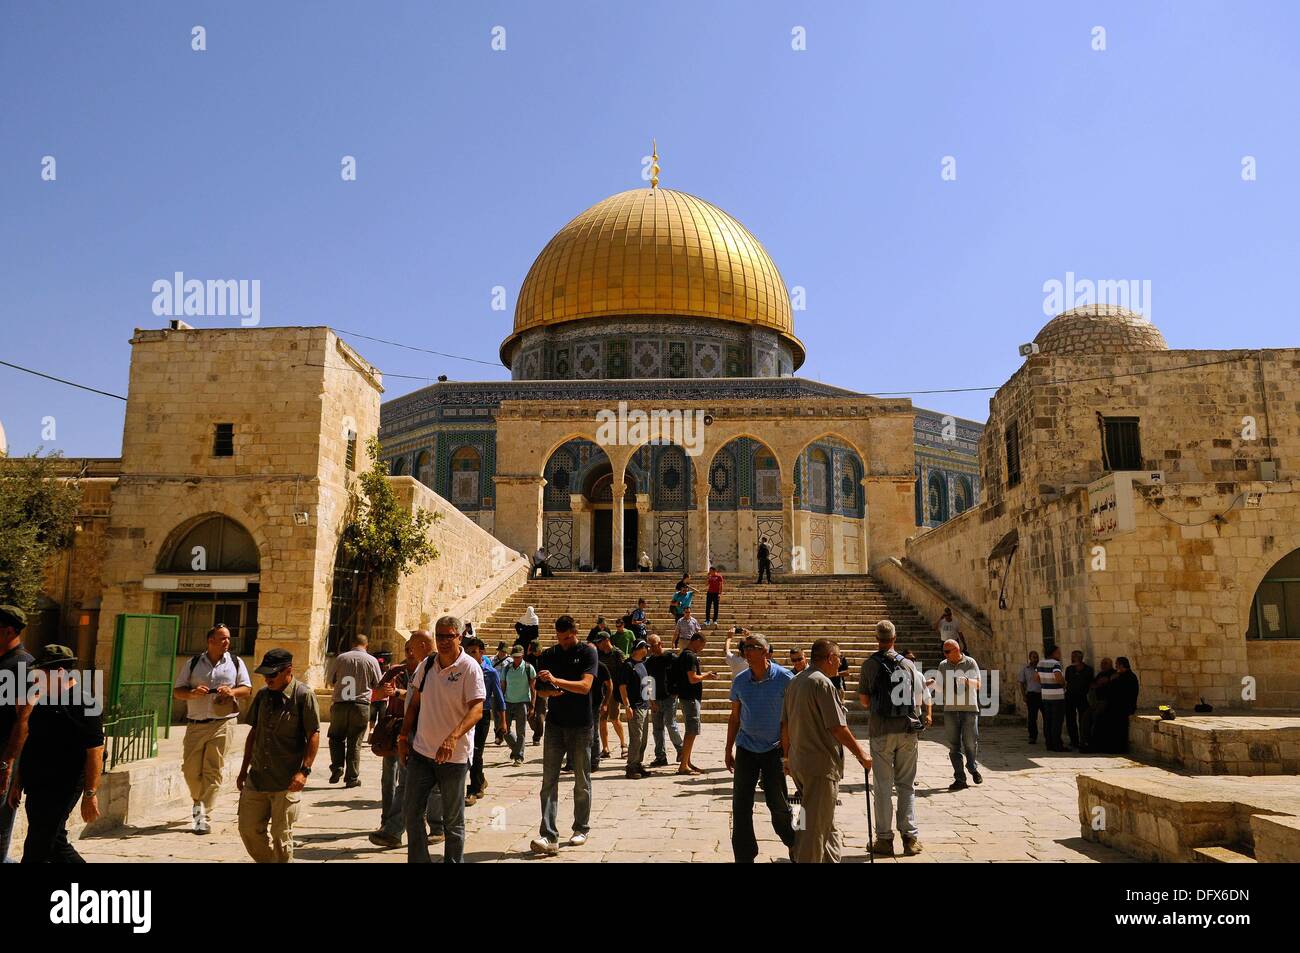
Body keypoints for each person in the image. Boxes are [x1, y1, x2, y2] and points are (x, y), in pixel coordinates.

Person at [398, 615, 485, 864]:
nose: (444, 641)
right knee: (411, 812)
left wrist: (453, 736)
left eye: (449, 636)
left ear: (459, 637)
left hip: (454, 757)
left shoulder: (470, 668)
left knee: (453, 820)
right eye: (440, 636)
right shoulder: (426, 665)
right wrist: (404, 736)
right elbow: (414, 703)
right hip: (422, 753)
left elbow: (477, 709)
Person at [7, 645, 103, 863]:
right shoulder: (41, 700)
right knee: (55, 842)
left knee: (38, 846)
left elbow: (95, 752)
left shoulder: (85, 703)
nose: (36, 678)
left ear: (59, 672)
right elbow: (31, 743)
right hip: (37, 784)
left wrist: (90, 794)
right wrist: (18, 783)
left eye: (41, 673)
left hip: (63, 787)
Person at [781, 639, 871, 863]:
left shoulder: (796, 681)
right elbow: (837, 727)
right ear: (830, 657)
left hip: (801, 761)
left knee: (824, 822)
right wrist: (861, 754)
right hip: (819, 764)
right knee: (813, 828)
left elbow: (784, 725)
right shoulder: (823, 684)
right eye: (838, 658)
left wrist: (787, 756)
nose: (840, 662)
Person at [236, 648, 320, 863]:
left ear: (288, 671)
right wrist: (244, 769)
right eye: (265, 674)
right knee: (248, 830)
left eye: (272, 674)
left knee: (281, 838)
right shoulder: (263, 695)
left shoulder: (303, 696)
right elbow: (254, 733)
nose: (267, 679)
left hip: (286, 780)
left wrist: (304, 771)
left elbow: (313, 734)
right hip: (257, 777)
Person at [172, 623, 252, 834]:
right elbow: (178, 691)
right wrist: (192, 693)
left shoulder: (235, 662)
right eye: (222, 638)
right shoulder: (194, 663)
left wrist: (232, 691)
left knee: (212, 770)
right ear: (210, 641)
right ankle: (199, 799)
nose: (227, 642)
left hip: (223, 723)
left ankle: (202, 815)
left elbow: (247, 688)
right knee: (190, 771)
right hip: (196, 723)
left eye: (228, 638)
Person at [859, 621, 930, 857]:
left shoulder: (870, 664)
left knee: (882, 786)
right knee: (906, 785)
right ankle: (910, 838)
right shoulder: (909, 664)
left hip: (881, 730)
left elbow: (865, 701)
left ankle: (884, 839)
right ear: (894, 638)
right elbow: (916, 695)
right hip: (908, 729)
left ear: (876, 638)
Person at [531, 615, 598, 856]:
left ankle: (581, 827)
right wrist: (550, 691)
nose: (565, 642)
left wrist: (556, 681)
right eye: (561, 638)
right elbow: (540, 689)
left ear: (575, 632)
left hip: (581, 725)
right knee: (549, 781)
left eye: (568, 637)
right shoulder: (549, 655)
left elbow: (585, 686)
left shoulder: (589, 653)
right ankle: (548, 835)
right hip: (555, 725)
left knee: (581, 779)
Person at [369, 631, 442, 849]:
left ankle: (438, 827)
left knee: (435, 784)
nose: (409, 652)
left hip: (430, 730)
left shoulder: (436, 669)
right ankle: (391, 827)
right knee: (400, 781)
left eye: (412, 648)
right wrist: (384, 691)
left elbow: (422, 697)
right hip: (398, 732)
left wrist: (399, 692)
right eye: (407, 648)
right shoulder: (396, 671)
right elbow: (375, 695)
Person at [726, 633, 795, 863]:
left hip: (774, 750)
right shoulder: (740, 680)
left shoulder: (785, 678)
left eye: (752, 647)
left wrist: (789, 754)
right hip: (746, 748)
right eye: (745, 647)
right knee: (741, 806)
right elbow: (734, 717)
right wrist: (728, 749)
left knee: (779, 804)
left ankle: (793, 841)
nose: (747, 651)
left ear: (765, 652)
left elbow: (792, 718)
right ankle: (745, 856)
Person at [327, 633, 386, 788]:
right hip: (360, 705)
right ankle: (352, 777)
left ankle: (337, 766)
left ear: (353, 643)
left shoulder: (341, 658)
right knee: (355, 741)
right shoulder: (372, 660)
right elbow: (378, 684)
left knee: (336, 737)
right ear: (366, 645)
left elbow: (330, 680)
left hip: (340, 704)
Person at [0, 605, 34, 863]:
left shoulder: (22, 667)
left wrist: (8, 763)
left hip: (4, 757)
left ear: (9, 630)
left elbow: (24, 720)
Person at [464, 636, 507, 807]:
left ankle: (474, 789)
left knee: (476, 751)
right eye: (468, 652)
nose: (471, 655)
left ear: (482, 652)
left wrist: (502, 722)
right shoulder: (463, 670)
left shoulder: (490, 673)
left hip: (482, 714)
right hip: (465, 714)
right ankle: (480, 779)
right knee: (467, 751)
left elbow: (499, 697)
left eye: (474, 652)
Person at [937, 639, 983, 790]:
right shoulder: (943, 665)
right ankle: (960, 778)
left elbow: (978, 684)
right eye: (944, 651)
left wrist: (966, 680)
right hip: (950, 710)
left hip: (969, 709)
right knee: (954, 745)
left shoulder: (970, 663)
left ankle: (972, 767)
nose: (945, 654)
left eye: (947, 651)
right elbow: (939, 687)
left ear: (957, 650)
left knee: (970, 743)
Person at [673, 631, 716, 775]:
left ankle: (687, 761)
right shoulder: (690, 656)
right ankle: (683, 765)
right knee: (691, 731)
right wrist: (707, 675)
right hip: (690, 698)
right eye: (702, 645)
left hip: (687, 697)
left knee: (690, 731)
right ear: (696, 641)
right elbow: (692, 678)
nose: (702, 648)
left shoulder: (685, 655)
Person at [643, 634, 682, 767]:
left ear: (660, 644)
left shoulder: (672, 658)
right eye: (649, 646)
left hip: (669, 698)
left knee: (671, 725)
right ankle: (660, 756)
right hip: (655, 699)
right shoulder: (650, 662)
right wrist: (650, 700)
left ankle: (681, 750)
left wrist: (675, 693)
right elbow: (646, 681)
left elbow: (680, 676)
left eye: (653, 645)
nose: (650, 649)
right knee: (657, 729)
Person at [620, 641, 653, 778]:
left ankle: (638, 764)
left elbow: (647, 683)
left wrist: (652, 701)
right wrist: (627, 706)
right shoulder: (628, 665)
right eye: (646, 647)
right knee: (636, 739)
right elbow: (622, 687)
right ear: (640, 649)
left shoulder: (642, 664)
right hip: (634, 707)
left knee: (643, 739)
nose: (647, 649)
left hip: (644, 705)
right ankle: (631, 767)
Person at [592, 631, 627, 758]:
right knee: (602, 720)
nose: (598, 645)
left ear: (607, 640)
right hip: (601, 691)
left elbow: (624, 672)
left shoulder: (617, 654)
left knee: (614, 718)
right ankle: (605, 748)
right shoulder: (598, 654)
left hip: (614, 690)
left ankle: (624, 745)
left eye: (600, 642)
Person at [1096, 657, 1140, 753]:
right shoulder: (1120, 676)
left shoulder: (1128, 677)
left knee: (1118, 726)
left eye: (1117, 664)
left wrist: (1110, 680)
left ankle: (1118, 748)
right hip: (1117, 706)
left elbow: (1120, 692)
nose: (1115, 667)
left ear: (1121, 665)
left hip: (1124, 707)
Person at [1080, 657, 1115, 752]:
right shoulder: (1100, 674)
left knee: (1096, 717)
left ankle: (1095, 742)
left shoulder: (1114, 674)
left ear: (1111, 664)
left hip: (1108, 701)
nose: (1103, 665)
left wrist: (1105, 681)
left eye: (1105, 663)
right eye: (1102, 663)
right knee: (1085, 716)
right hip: (1098, 702)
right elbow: (1093, 685)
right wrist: (1099, 684)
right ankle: (1085, 742)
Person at [1037, 646, 1067, 752]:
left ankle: (1049, 744)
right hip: (1057, 696)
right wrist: (1063, 683)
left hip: (1045, 696)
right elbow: (1058, 677)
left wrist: (1045, 682)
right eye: (1058, 652)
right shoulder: (1055, 663)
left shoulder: (1040, 663)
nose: (1060, 654)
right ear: (1053, 653)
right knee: (1057, 721)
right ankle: (1057, 745)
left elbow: (1036, 678)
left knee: (1048, 721)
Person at [1064, 650, 1095, 750]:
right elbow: (1067, 681)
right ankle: (1074, 741)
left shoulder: (1088, 670)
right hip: (1070, 697)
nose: (1072, 658)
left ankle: (1083, 740)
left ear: (1079, 657)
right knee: (1070, 719)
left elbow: (1089, 682)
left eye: (1074, 656)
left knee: (1083, 719)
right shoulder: (1069, 669)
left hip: (1082, 697)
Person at [1018, 651, 1043, 743]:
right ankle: (1032, 736)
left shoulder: (1041, 668)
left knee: (1047, 716)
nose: (1036, 659)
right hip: (1032, 695)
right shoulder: (1025, 669)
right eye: (1034, 657)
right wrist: (1024, 696)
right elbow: (1021, 683)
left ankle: (1049, 736)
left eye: (1037, 657)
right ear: (1030, 658)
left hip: (1042, 694)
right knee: (1032, 717)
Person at [524, 640, 546, 744]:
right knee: (530, 715)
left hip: (542, 690)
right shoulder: (528, 659)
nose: (535, 653)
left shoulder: (546, 657)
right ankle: (537, 730)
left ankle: (537, 737)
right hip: (529, 689)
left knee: (540, 715)